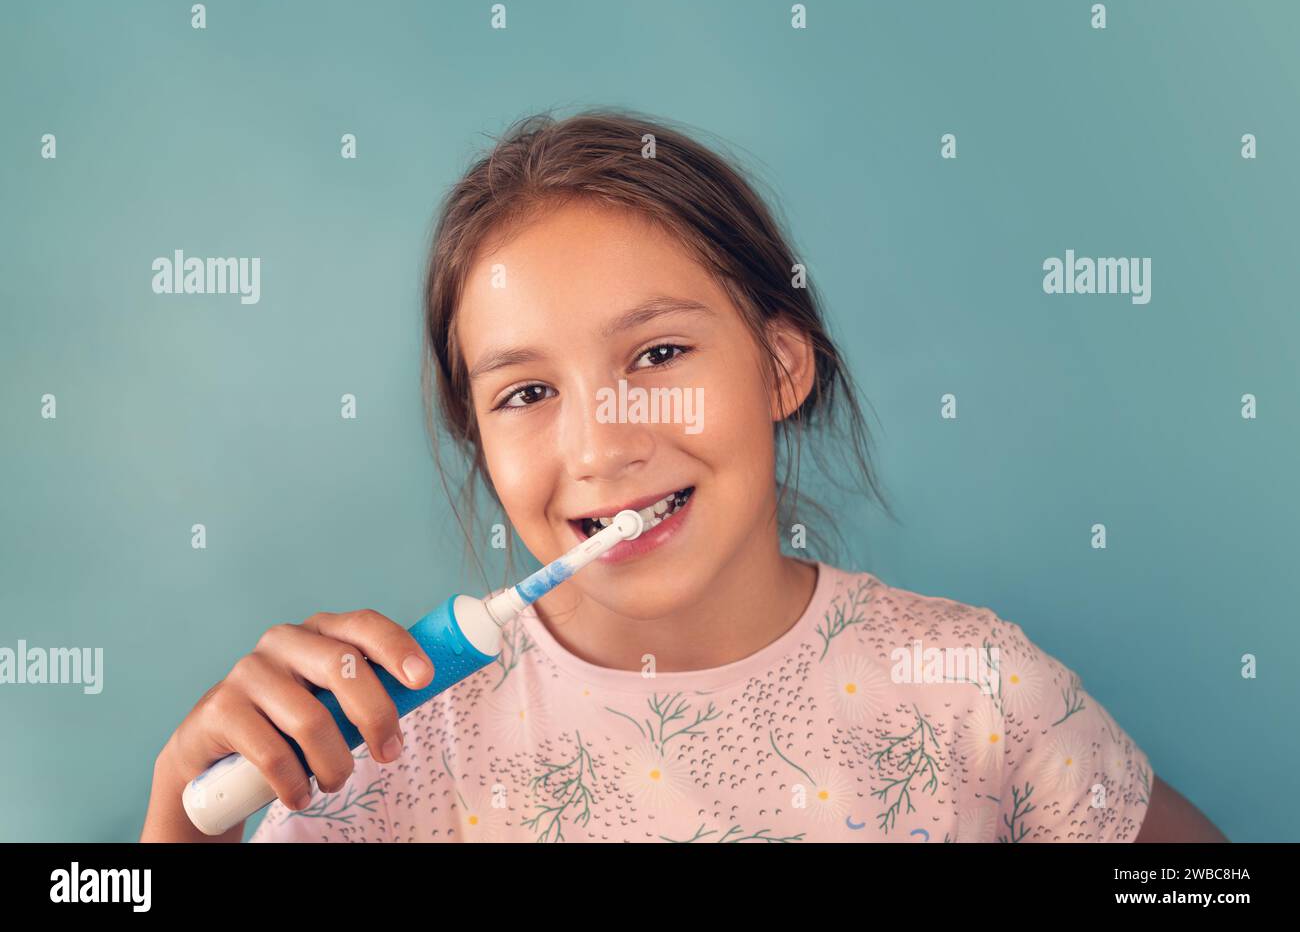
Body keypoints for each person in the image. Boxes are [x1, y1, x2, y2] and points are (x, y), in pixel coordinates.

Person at [141, 109, 1224, 843]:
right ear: (478, 437)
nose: (601, 444)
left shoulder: (979, 690)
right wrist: (170, 831)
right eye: (526, 393)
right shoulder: (377, 752)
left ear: (780, 366)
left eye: (656, 355)